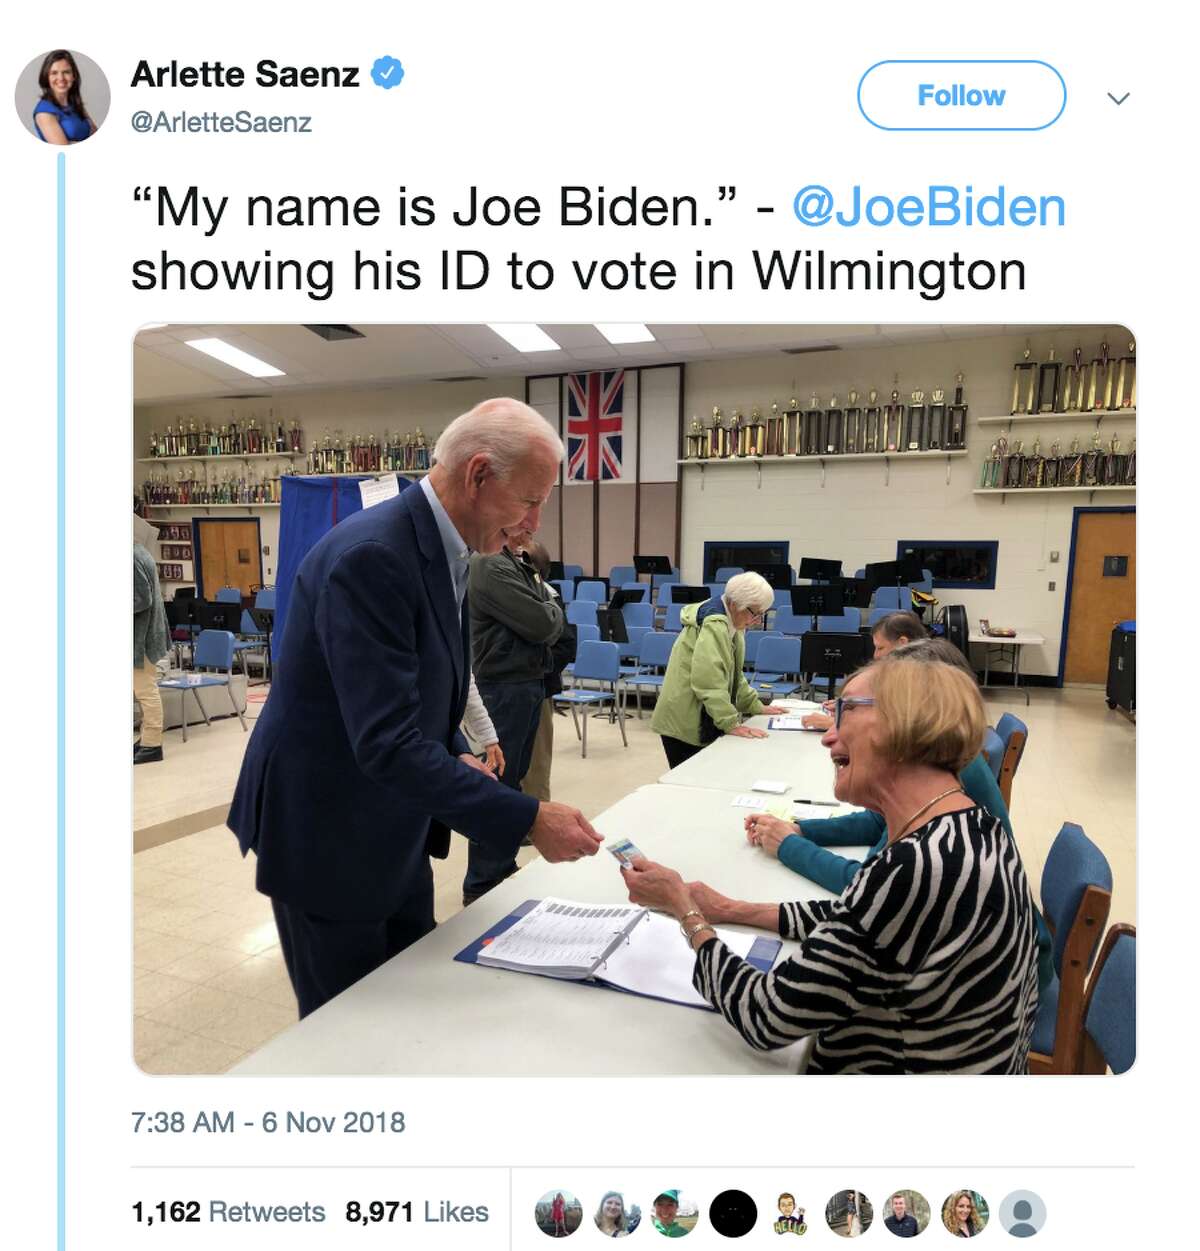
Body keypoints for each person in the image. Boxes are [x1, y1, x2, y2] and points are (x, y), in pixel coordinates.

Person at [227, 398, 602, 1017]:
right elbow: (387, 741)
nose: (535, 524)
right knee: (349, 1029)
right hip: (330, 834)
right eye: (531, 501)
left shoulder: (446, 549)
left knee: (409, 1005)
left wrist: (457, 750)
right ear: (478, 475)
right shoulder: (375, 556)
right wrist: (528, 818)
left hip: (393, 824)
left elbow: (414, 693)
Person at [623, 647, 1041, 1072]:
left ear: (904, 722)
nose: (828, 736)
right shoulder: (969, 825)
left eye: (848, 713)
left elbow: (767, 1016)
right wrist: (733, 909)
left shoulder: (918, 868)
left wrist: (688, 913)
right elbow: (858, 913)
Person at [746, 638, 1054, 993]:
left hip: (996, 987)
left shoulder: (938, 813)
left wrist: (789, 846)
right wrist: (800, 829)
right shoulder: (940, 775)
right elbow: (875, 838)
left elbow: (865, 887)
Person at [464, 526, 565, 902]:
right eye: (524, 517)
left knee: (514, 781)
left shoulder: (514, 563)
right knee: (499, 785)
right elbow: (543, 623)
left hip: (523, 682)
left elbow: (549, 618)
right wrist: (549, 608)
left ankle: (501, 868)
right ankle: (484, 882)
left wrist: (546, 607)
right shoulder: (491, 565)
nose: (532, 527)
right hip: (503, 687)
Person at [650, 571, 788, 768]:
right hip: (684, 720)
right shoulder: (716, 624)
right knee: (691, 789)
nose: (758, 620)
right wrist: (730, 723)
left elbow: (733, 673)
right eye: (755, 613)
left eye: (762, 614)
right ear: (735, 602)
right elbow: (709, 680)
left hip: (694, 715)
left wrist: (754, 705)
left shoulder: (732, 622)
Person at [799, 610, 926, 729]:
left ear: (902, 643)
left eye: (880, 648)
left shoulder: (921, 677)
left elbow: (898, 726)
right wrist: (854, 704)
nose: (876, 655)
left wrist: (837, 723)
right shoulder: (909, 669)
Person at [519, 538, 571, 803]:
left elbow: (566, 644)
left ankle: (536, 820)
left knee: (536, 762)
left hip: (539, 688)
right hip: (510, 688)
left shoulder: (548, 596)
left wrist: (538, 666)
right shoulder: (508, 593)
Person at [133, 540, 169, 764]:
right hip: (145, 634)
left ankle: (152, 744)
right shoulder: (139, 551)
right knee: (143, 690)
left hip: (142, 637)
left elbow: (142, 599)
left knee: (146, 691)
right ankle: (147, 736)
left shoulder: (131, 557)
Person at [33, 50, 95, 144]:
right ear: (46, 77)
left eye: (66, 72)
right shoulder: (44, 112)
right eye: (54, 73)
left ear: (73, 76)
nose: (61, 78)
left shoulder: (76, 105)